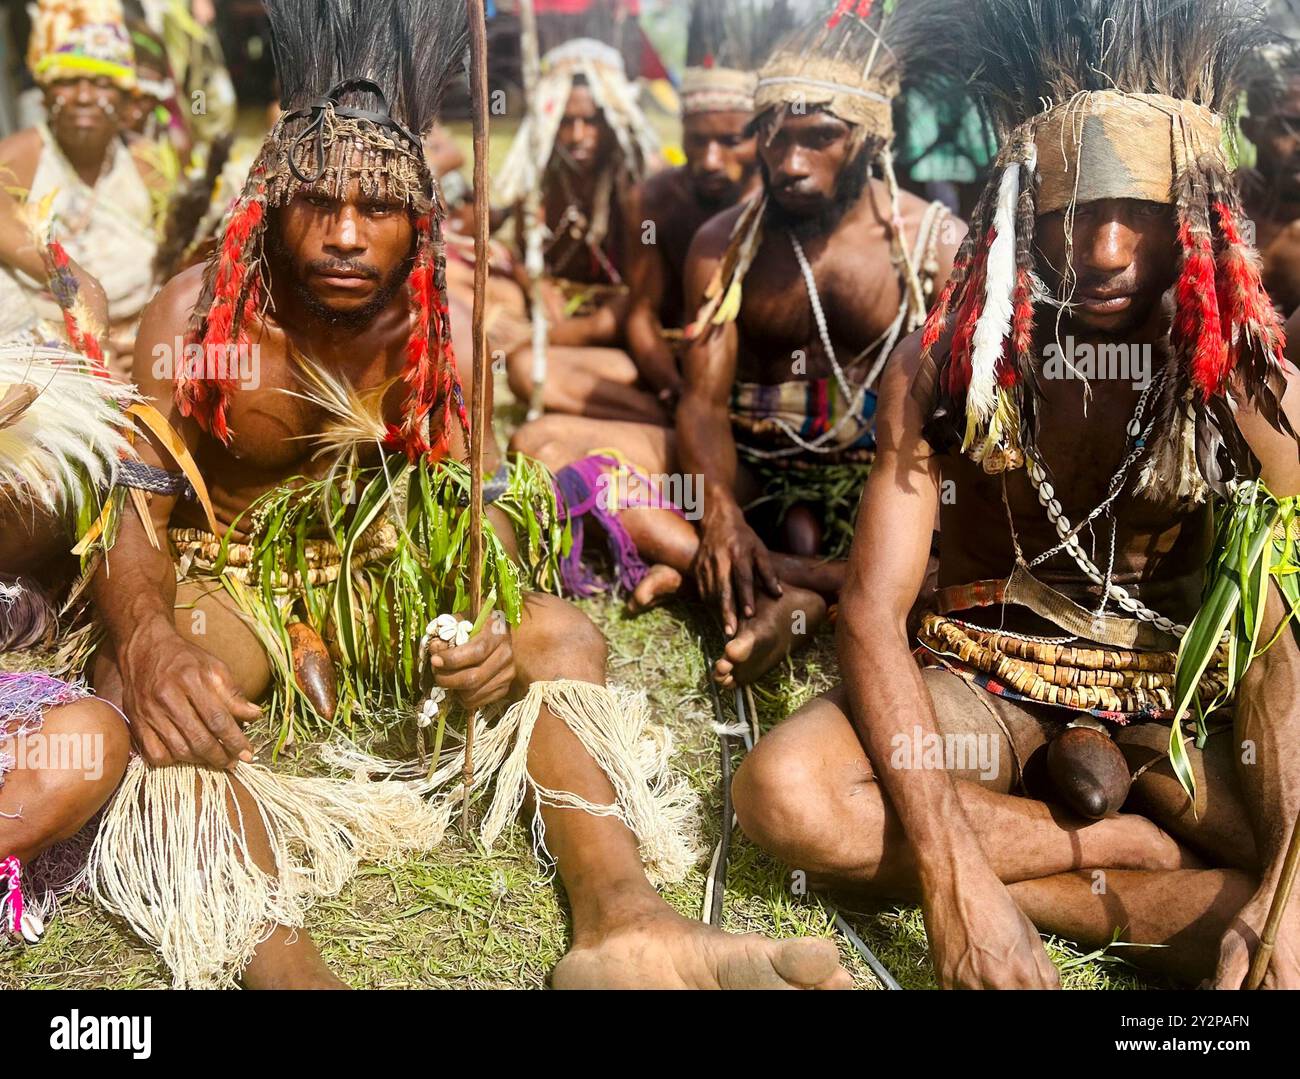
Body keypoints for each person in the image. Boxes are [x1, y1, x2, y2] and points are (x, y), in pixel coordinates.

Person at [87, 0, 851, 991]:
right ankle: (287, 967)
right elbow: (130, 505)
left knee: (561, 638)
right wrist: (146, 638)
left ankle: (623, 921)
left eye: (379, 208)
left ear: (420, 214)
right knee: (149, 696)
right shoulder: (193, 317)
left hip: (378, 578)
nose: (348, 235)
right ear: (274, 197)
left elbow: (471, 489)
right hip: (230, 583)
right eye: (320, 201)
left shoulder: (431, 320)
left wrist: (484, 600)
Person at [732, 0, 1300, 990]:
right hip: (984, 681)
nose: (1108, 251)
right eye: (1077, 213)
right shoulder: (943, 367)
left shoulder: (1252, 389)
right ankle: (1115, 857)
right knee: (783, 793)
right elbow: (869, 610)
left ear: (1198, 215)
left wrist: (1287, 886)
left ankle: (1178, 879)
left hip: (1172, 710)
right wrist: (956, 888)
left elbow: (1277, 631)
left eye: (1142, 215)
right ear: (1023, 208)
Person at [518, 1, 960, 681]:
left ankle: (766, 577)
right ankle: (761, 571)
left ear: (871, 138)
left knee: (949, 555)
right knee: (537, 446)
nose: (789, 162)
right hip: (748, 465)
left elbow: (957, 427)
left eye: (818, 138)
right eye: (775, 138)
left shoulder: (932, 245)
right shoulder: (723, 244)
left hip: (876, 486)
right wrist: (720, 510)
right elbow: (700, 405)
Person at [497, 24, 661, 421]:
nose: (577, 136)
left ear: (615, 120)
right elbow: (523, 251)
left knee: (521, 364)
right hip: (561, 318)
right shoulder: (539, 174)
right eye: (565, 122)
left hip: (626, 333)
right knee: (490, 303)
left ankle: (658, 412)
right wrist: (537, 287)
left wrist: (560, 335)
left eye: (591, 121)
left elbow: (644, 300)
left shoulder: (641, 182)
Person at [0, 0, 165, 373]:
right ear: (44, 93)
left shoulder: (149, 166)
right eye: (69, 81)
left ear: (126, 101)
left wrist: (150, 339)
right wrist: (71, 283)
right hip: (44, 359)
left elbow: (182, 259)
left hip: (138, 348)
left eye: (103, 84)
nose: (85, 97)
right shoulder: (19, 158)